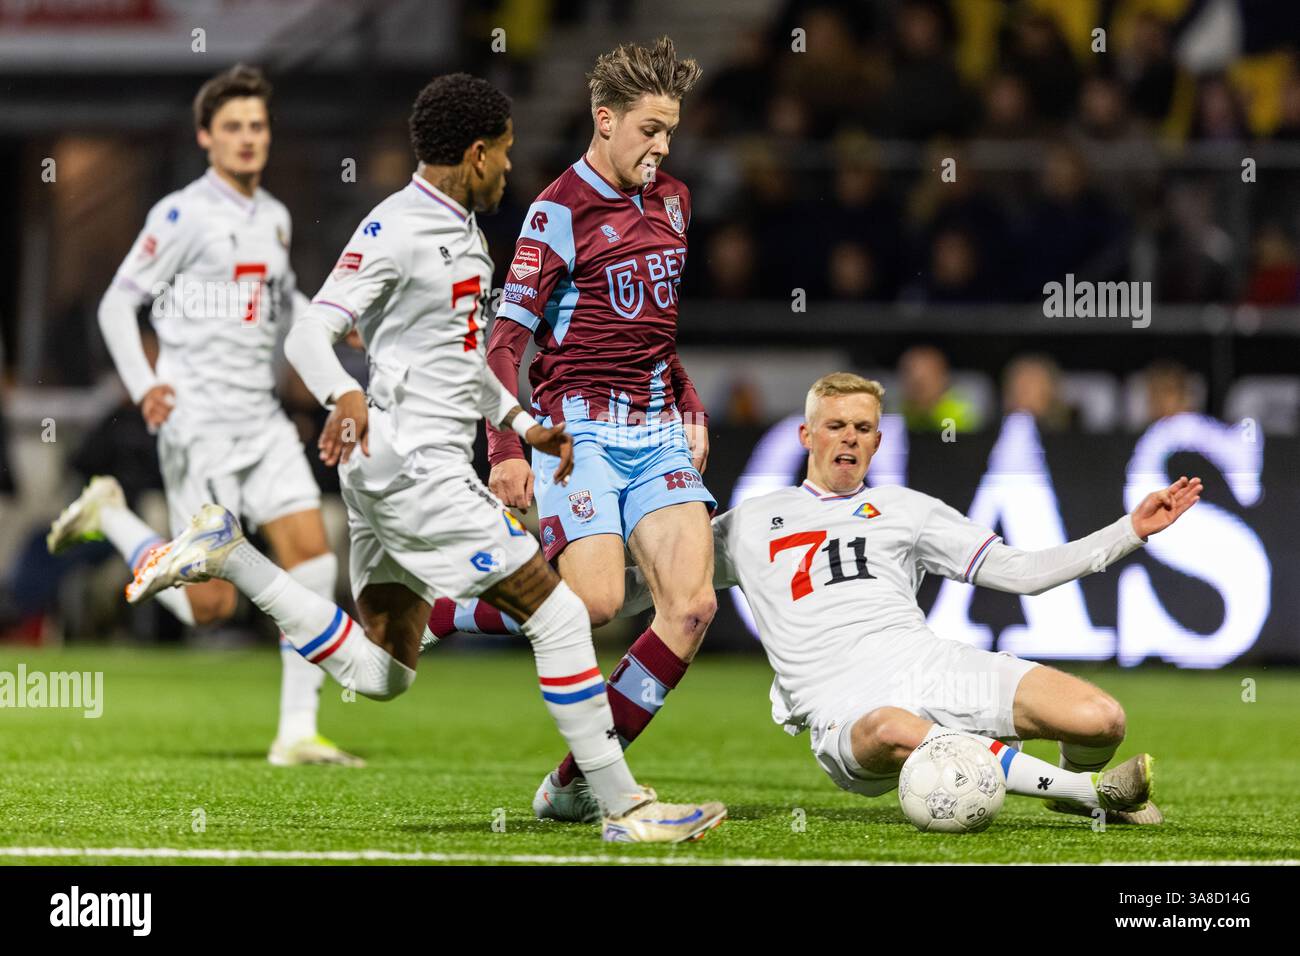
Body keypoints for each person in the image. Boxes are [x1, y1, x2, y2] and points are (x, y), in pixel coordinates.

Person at [126, 73, 726, 844]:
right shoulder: (398, 227)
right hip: (416, 466)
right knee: (562, 613)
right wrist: (345, 395)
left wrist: (518, 424)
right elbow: (309, 331)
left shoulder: (461, 231)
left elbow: (463, 358)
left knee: (382, 674)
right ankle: (622, 808)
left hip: (392, 469)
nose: (511, 170)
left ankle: (233, 556)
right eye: (504, 155)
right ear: (475, 155)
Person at [562, 373, 1199, 823]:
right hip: (845, 706)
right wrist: (547, 599)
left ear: (877, 440)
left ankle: (1064, 786)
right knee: (894, 728)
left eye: (863, 428)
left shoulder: (907, 510)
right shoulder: (750, 522)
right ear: (806, 436)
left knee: (1102, 720)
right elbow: (647, 594)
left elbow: (1023, 572)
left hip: (929, 662)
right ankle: (1089, 793)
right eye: (834, 425)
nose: (849, 438)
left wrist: (1129, 531)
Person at [431, 38, 721, 822]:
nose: (663, 149)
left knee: (691, 608)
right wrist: (503, 448)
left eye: (670, 132)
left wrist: (687, 400)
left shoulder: (675, 202)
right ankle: (445, 610)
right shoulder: (555, 211)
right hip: (576, 431)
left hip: (655, 426)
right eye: (650, 130)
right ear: (605, 120)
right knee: (592, 606)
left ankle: (572, 783)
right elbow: (503, 343)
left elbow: (656, 332)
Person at [47, 64, 359, 767]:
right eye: (233, 128)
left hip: (264, 422)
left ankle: (297, 732)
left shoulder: (275, 218)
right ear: (206, 138)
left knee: (312, 560)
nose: (248, 139)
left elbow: (282, 303)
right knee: (208, 609)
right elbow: (116, 304)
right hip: (199, 429)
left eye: (257, 126)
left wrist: (335, 326)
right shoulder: (182, 215)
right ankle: (112, 516)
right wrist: (145, 382)